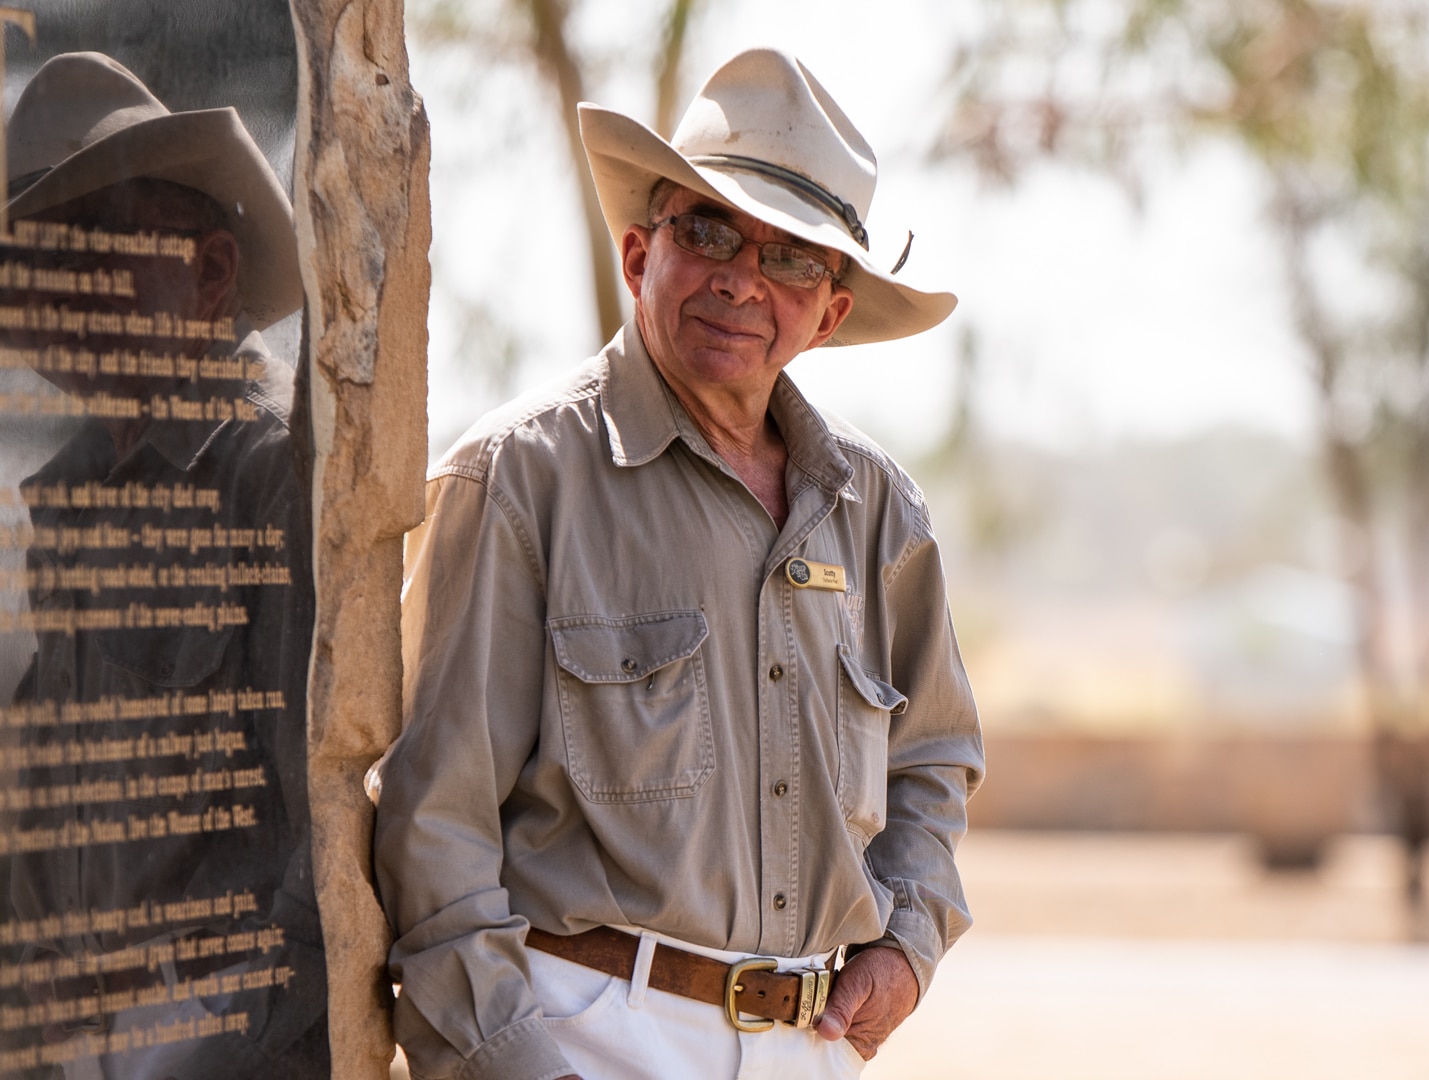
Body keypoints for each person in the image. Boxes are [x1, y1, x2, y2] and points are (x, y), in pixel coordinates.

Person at [372, 48, 984, 1080]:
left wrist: (907, 945)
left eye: (792, 256)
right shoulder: (517, 480)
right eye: (708, 231)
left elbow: (933, 758)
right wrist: (510, 1060)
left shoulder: (878, 511)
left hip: (812, 1048)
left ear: (829, 312)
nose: (742, 278)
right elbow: (436, 820)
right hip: (584, 1037)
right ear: (637, 253)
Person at [0, 52, 327, 1077]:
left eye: (93, 252)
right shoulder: (76, 495)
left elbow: (333, 837)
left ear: (212, 272)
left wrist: (188, 1043)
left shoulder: (273, 470)